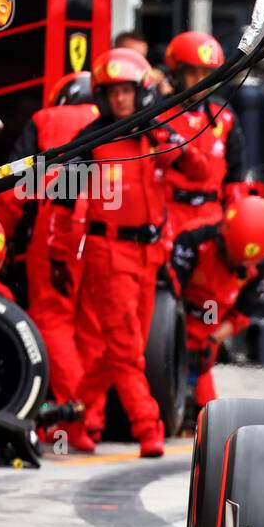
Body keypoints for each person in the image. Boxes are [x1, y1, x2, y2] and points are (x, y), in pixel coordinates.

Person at [66, 47, 209, 457]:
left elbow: (200, 174)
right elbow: (58, 190)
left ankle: (76, 419)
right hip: (106, 251)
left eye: (127, 91)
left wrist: (171, 139)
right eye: (112, 93)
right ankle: (149, 426)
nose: (120, 100)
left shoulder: (156, 136)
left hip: (149, 255)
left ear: (140, 91)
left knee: (120, 346)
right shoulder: (91, 140)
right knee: (128, 347)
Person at [0, 70, 101, 411]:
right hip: (109, 234)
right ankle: (94, 417)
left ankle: (73, 412)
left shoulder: (44, 120)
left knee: (54, 320)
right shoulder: (117, 122)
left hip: (59, 226)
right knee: (93, 326)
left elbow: (15, 186)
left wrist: (2, 236)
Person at [171, 193, 264, 412]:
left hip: (208, 337)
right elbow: (167, 295)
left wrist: (213, 340)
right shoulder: (193, 241)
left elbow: (243, 313)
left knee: (208, 415)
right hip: (174, 329)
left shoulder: (261, 268)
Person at [161, 31, 255, 234]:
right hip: (169, 219)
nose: (200, 80)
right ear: (177, 73)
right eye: (192, 72)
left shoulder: (224, 115)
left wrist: (235, 220)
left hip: (213, 220)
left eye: (206, 73)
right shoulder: (157, 116)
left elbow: (235, 175)